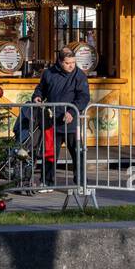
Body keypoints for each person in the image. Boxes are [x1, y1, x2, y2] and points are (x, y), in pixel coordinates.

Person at [32, 46, 90, 186]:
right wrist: (37, 96)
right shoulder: (48, 73)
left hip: (71, 122)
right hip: (52, 121)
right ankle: (47, 182)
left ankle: (81, 182)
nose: (71, 66)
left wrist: (71, 111)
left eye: (73, 63)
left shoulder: (79, 75)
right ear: (59, 61)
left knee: (78, 153)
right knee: (50, 154)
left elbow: (84, 97)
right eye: (67, 63)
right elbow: (41, 89)